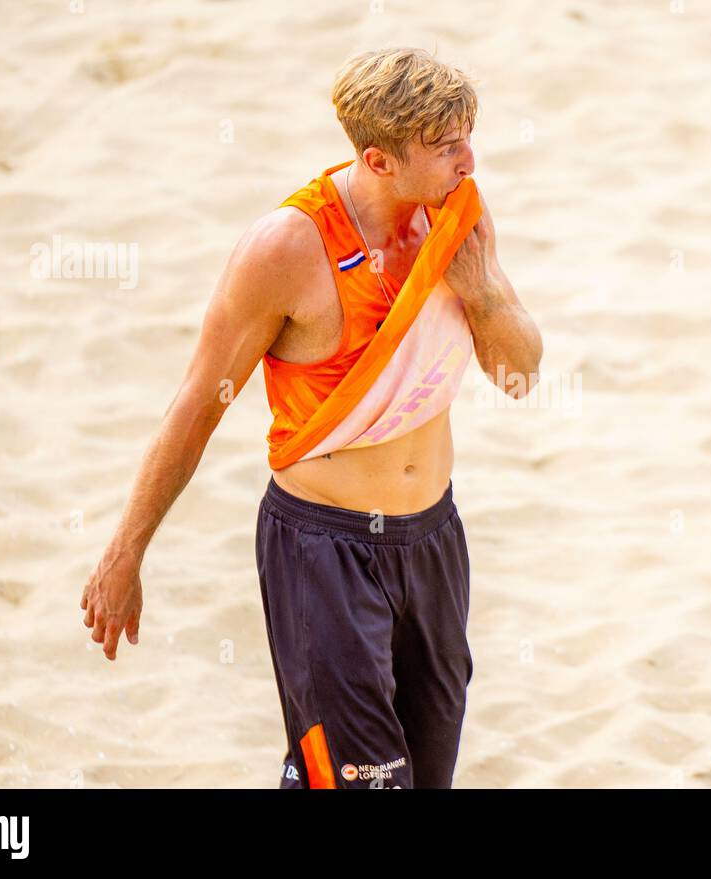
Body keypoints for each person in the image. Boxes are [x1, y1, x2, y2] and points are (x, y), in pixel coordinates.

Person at [80, 47, 543, 789]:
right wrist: (125, 551)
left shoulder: (457, 217)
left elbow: (519, 373)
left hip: (432, 541)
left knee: (424, 778)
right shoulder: (287, 250)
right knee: (357, 781)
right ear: (378, 160)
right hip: (326, 551)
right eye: (448, 145)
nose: (470, 158)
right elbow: (199, 404)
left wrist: (484, 291)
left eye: (469, 135)